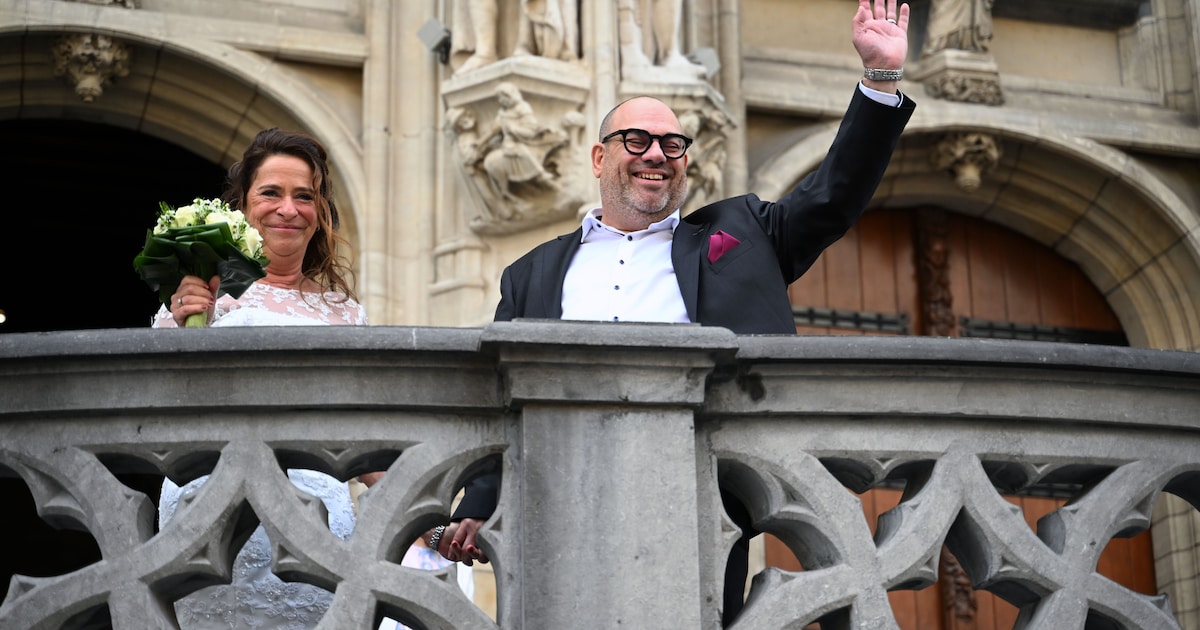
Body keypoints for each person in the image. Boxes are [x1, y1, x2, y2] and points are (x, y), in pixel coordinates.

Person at [429, 0, 916, 625]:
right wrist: (478, 503)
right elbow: (504, 401)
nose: (656, 153)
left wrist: (879, 80)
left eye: (672, 143)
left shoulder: (743, 234)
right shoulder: (532, 273)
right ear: (601, 157)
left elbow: (834, 196)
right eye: (637, 139)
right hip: (562, 501)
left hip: (703, 497)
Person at [152, 128, 424, 628]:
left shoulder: (345, 313)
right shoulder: (199, 297)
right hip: (212, 518)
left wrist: (428, 517)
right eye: (271, 193)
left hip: (317, 520)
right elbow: (162, 409)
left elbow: (365, 440)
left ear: (319, 214)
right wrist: (186, 319)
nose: (288, 209)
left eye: (305, 196)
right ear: (242, 205)